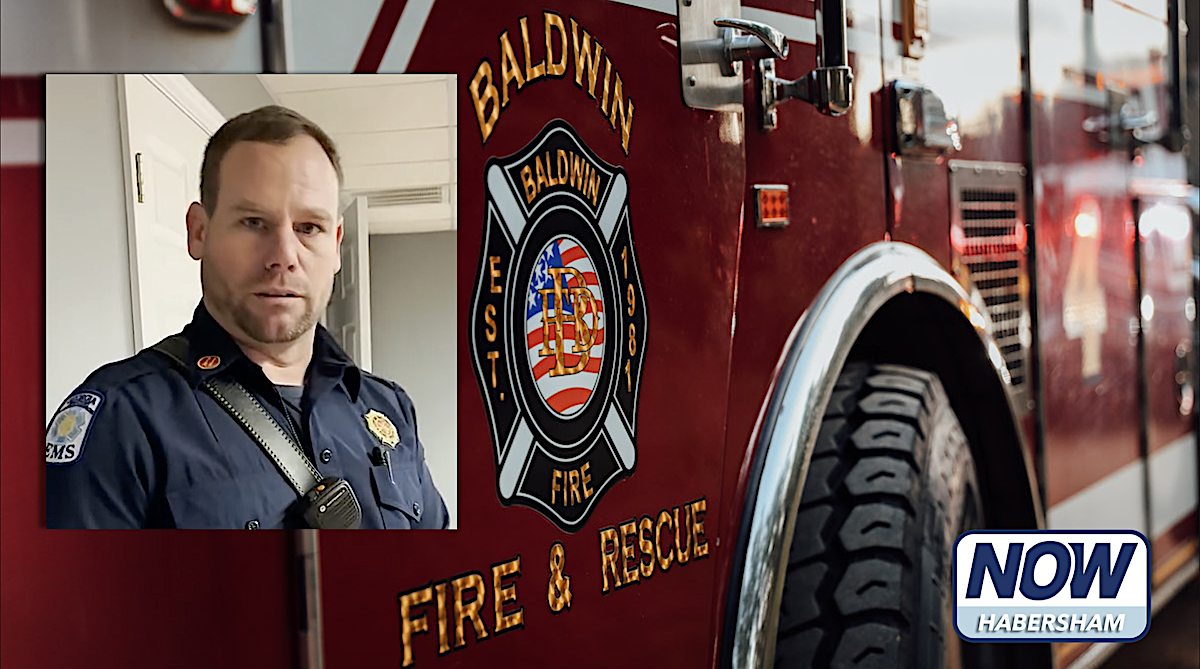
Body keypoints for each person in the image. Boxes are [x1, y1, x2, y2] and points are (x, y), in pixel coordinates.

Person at [46, 105, 448, 529]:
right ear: (199, 231)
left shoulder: (390, 407)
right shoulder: (120, 419)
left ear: (335, 244)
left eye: (309, 227)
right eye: (254, 222)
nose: (284, 257)